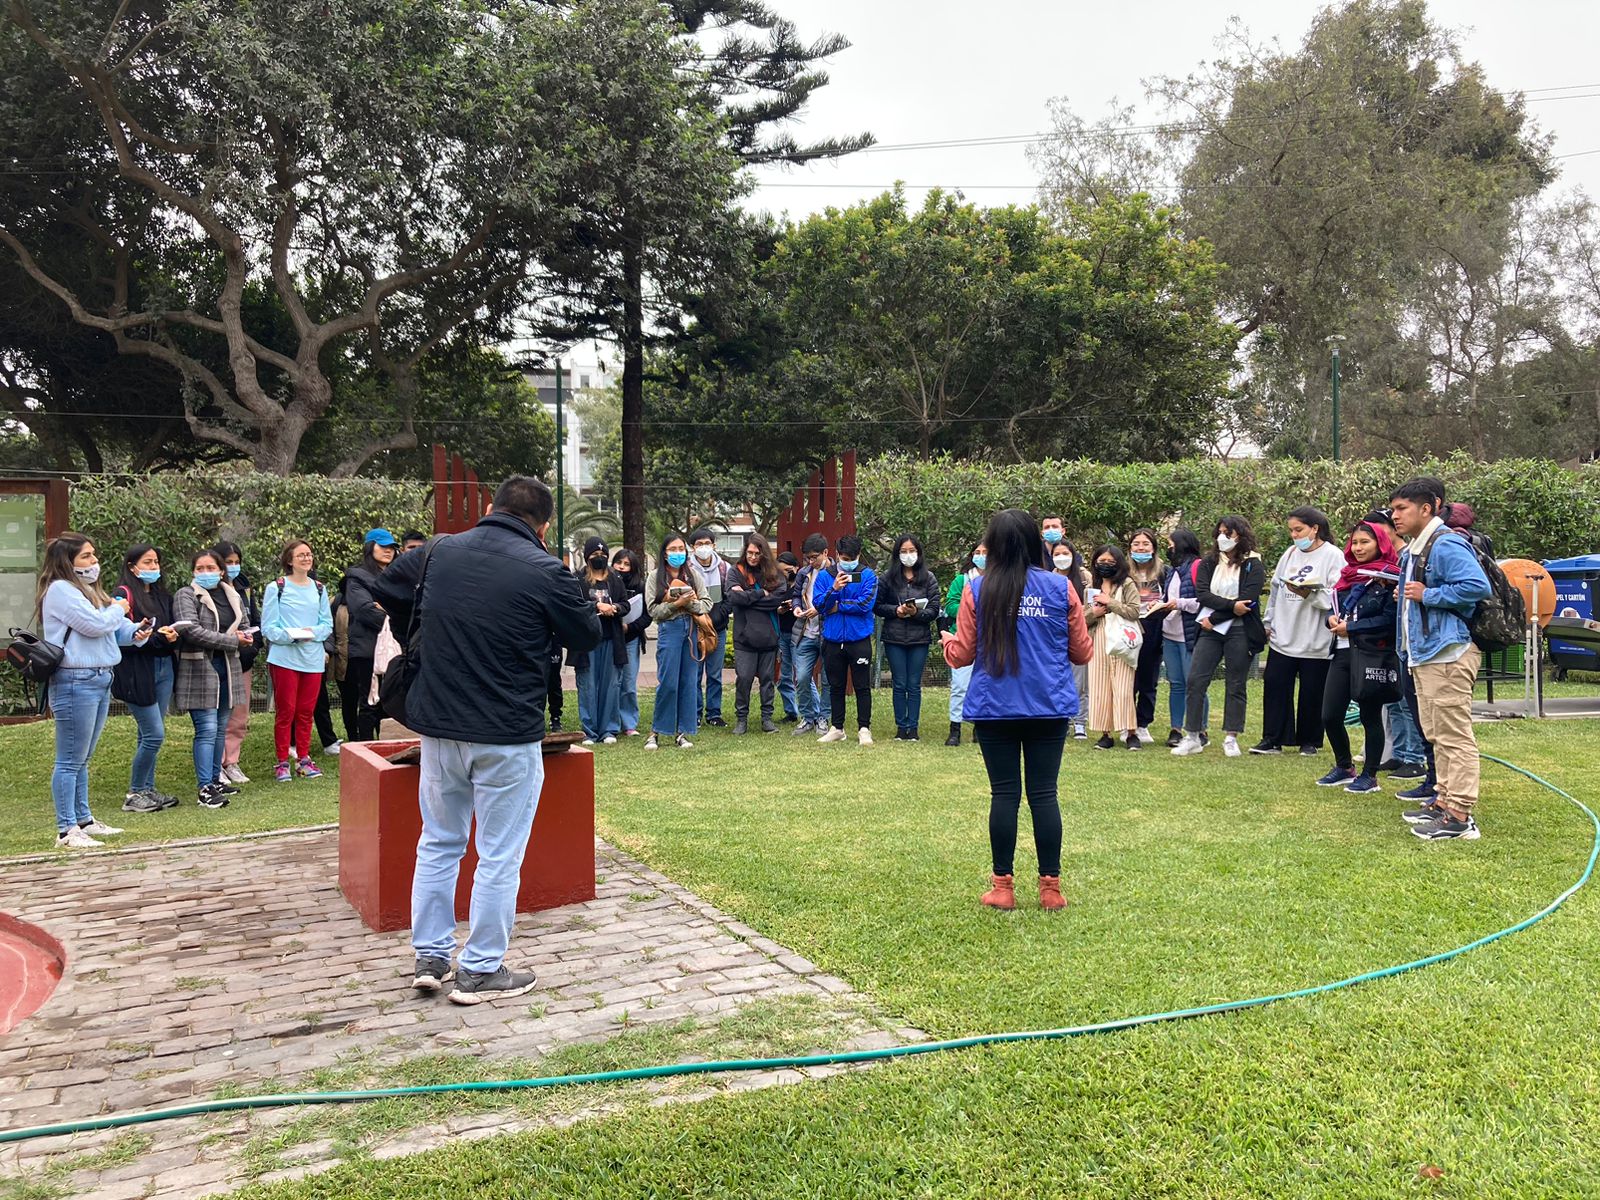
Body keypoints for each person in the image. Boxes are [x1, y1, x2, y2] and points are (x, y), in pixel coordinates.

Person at [371, 475, 601, 1003]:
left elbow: (385, 586)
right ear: (542, 526)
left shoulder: (440, 551)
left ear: (492, 508)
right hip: (506, 730)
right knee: (498, 853)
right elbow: (586, 635)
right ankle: (479, 968)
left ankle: (429, 955)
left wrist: (426, 630)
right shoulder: (545, 570)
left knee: (439, 841)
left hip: (440, 727)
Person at [941, 509, 1092, 911]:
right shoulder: (1061, 589)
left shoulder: (977, 590)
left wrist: (946, 644)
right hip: (1048, 705)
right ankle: (1051, 890)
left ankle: (1003, 887)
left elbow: (961, 654)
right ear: (1034, 542)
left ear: (990, 546)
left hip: (996, 706)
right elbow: (1081, 651)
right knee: (1045, 794)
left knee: (1004, 794)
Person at [1391, 479, 1492, 840]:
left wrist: (1428, 593)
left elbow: (1476, 586)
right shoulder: (1416, 549)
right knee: (1436, 734)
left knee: (1453, 735)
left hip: (1448, 653)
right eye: (1394, 509)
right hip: (1426, 655)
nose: (1395, 515)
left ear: (1428, 508)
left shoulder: (1445, 542)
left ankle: (1460, 816)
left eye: (1402, 508)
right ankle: (1443, 801)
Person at [39, 533, 151, 847]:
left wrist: (136, 631)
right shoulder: (60, 590)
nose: (94, 562)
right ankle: (66, 829)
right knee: (69, 759)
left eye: (94, 555)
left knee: (83, 757)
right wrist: (118, 607)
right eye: (86, 556)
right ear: (68, 561)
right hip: (75, 680)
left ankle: (84, 820)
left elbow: (110, 632)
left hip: (100, 677)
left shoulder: (86, 589)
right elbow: (95, 624)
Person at [1172, 515, 1267, 758]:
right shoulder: (1209, 562)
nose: (1223, 537)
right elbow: (1203, 595)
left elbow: (1248, 600)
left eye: (1229, 533)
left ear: (1241, 535)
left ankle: (1231, 736)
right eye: (1220, 532)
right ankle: (1193, 735)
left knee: (1236, 682)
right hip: (1209, 631)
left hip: (1237, 628)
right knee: (1195, 679)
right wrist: (1227, 610)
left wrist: (1216, 618)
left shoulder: (1252, 564)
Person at [1317, 519, 1401, 793]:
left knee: (1370, 715)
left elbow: (1389, 619)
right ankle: (1344, 766)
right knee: (1330, 714)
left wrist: (1351, 628)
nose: (1359, 547)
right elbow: (1339, 612)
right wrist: (1333, 620)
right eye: (1355, 542)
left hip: (1372, 654)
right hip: (1342, 653)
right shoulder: (1346, 577)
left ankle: (1369, 775)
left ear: (1380, 543)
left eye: (1365, 541)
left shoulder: (1389, 577)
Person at [1254, 507, 1344, 756]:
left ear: (1315, 529)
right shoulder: (1290, 554)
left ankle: (1310, 740)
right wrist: (1268, 621)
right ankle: (1273, 738)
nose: (1294, 535)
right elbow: (1275, 590)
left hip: (1315, 635)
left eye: (1299, 530)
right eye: (1291, 531)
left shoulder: (1333, 556)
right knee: (1275, 684)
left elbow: (1337, 596)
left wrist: (1311, 593)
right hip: (1285, 632)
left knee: (1312, 690)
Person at [174, 548, 253, 807]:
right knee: (206, 728)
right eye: (200, 568)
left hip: (228, 668)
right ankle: (204, 787)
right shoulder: (187, 595)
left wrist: (245, 637)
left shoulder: (232, 595)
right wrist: (232, 640)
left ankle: (215, 779)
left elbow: (243, 626)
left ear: (221, 570)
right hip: (199, 669)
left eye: (211, 568)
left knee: (221, 727)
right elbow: (191, 631)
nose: (205, 573)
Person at [111, 544, 180, 813]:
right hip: (136, 670)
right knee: (154, 734)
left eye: (155, 562)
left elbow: (170, 630)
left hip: (164, 666)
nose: (153, 567)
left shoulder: (163, 596)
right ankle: (134, 793)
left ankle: (147, 789)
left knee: (148, 733)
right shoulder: (123, 596)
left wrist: (171, 636)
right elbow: (121, 636)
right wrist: (155, 637)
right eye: (147, 562)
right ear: (132, 567)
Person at [261, 540, 335, 784]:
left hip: (312, 659)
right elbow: (269, 627)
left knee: (306, 711)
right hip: (285, 659)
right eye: (301, 555)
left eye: (309, 555)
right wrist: (292, 636)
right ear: (289, 560)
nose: (306, 558)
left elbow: (327, 625)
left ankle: (303, 759)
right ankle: (282, 761)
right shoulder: (277, 587)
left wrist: (310, 633)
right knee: (286, 711)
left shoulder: (320, 589)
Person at [646, 534, 712, 749]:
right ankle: (656, 731)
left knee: (688, 682)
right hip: (669, 629)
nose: (678, 553)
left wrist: (689, 603)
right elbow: (652, 610)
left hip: (691, 630)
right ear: (665, 553)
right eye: (673, 549)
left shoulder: (693, 575)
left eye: (681, 549)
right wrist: (676, 604)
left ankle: (682, 732)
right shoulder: (655, 577)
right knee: (668, 682)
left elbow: (706, 603)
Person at [875, 533, 942, 740]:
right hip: (894, 637)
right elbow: (877, 606)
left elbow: (934, 609)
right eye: (903, 551)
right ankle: (900, 727)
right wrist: (896, 611)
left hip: (919, 639)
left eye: (911, 551)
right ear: (897, 554)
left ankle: (913, 727)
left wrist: (916, 613)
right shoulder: (887, 578)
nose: (908, 555)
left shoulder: (928, 578)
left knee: (913, 684)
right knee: (899, 683)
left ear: (919, 553)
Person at [815, 533, 878, 746]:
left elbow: (865, 605)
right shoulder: (826, 576)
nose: (847, 563)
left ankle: (864, 728)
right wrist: (834, 590)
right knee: (835, 686)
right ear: (836, 555)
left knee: (862, 686)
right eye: (843, 557)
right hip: (832, 640)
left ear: (858, 555)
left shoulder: (868, 575)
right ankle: (837, 728)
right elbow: (819, 606)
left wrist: (839, 606)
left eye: (851, 558)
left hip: (859, 639)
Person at [338, 529, 397, 744]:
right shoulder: (356, 578)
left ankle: (389, 747)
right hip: (367, 649)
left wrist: (386, 608)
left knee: (391, 703)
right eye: (383, 546)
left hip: (394, 650)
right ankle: (365, 749)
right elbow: (364, 611)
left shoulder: (397, 575)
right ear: (369, 547)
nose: (388, 551)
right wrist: (396, 614)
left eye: (391, 547)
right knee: (369, 702)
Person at [725, 533, 787, 734]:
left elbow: (778, 599)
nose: (752, 557)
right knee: (744, 678)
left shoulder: (774, 573)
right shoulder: (736, 571)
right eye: (749, 553)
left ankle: (767, 718)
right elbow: (734, 598)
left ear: (764, 554)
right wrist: (760, 594)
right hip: (744, 637)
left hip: (769, 636)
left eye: (757, 553)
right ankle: (741, 719)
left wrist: (748, 598)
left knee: (768, 679)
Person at [214, 540, 265, 782]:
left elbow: (255, 620)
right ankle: (216, 765)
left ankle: (232, 761)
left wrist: (254, 648)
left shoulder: (244, 588)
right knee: (218, 715)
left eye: (236, 562)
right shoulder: (210, 591)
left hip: (243, 661)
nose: (233, 567)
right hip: (218, 661)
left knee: (239, 716)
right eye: (228, 562)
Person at [1083, 545, 1141, 749]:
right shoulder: (1091, 587)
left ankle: (1130, 732)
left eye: (1110, 562)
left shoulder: (1126, 584)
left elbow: (1134, 611)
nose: (1105, 565)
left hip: (1122, 639)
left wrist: (1111, 603)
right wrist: (1095, 613)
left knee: (1124, 687)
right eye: (1101, 561)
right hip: (1098, 638)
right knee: (1100, 687)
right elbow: (1082, 618)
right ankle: (1105, 733)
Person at [574, 536, 628, 746]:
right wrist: (596, 606)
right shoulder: (577, 580)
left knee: (611, 685)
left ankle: (608, 730)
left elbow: (625, 604)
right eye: (595, 555)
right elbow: (574, 603)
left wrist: (614, 608)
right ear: (588, 557)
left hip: (611, 640)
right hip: (587, 641)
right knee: (587, 685)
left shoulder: (615, 580)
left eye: (603, 555)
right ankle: (589, 731)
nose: (600, 558)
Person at [1127, 529, 1174, 747]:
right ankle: (1127, 723)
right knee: (1128, 679)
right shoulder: (1124, 572)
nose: (1141, 548)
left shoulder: (1164, 572)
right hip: (1129, 628)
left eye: (1145, 544)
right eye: (1136, 544)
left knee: (1149, 678)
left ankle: (1143, 723)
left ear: (1153, 547)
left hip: (1154, 627)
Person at [1161, 528, 1207, 747]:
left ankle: (1201, 729)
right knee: (1176, 683)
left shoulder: (1198, 566)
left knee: (1194, 683)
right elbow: (1168, 596)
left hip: (1190, 634)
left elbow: (1203, 601)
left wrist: (1179, 604)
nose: (1169, 548)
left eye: (1171, 544)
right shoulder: (1172, 570)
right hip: (1169, 633)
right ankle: (1176, 728)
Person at [688, 529, 731, 727]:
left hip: (718, 629)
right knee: (694, 673)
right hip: (694, 629)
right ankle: (695, 712)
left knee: (715, 673)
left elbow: (730, 598)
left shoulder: (724, 568)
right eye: (699, 544)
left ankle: (714, 713)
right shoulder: (687, 569)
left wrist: (717, 617)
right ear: (692, 547)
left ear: (714, 545)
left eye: (707, 543)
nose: (703, 547)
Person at [944, 542, 985, 746]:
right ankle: (955, 729)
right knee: (960, 685)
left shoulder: (999, 580)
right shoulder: (962, 580)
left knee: (984, 684)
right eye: (977, 552)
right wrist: (973, 608)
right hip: (963, 637)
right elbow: (950, 606)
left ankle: (980, 727)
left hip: (989, 640)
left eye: (985, 552)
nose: (981, 556)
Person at [790, 534, 832, 737]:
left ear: (826, 553)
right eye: (807, 558)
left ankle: (824, 718)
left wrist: (820, 610)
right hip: (805, 632)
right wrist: (797, 608)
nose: (810, 562)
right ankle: (808, 717)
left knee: (828, 680)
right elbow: (797, 595)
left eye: (814, 557)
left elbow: (839, 600)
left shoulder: (836, 573)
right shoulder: (804, 573)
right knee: (803, 676)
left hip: (828, 634)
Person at [1049, 540, 1091, 739]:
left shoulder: (1084, 577)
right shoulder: (1048, 578)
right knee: (1057, 680)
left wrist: (1079, 616)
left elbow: (1093, 608)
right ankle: (1062, 719)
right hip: (1055, 637)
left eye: (1065, 553)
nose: (1061, 557)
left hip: (1080, 634)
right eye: (1057, 554)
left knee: (1080, 681)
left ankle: (1080, 722)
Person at [611, 548, 650, 737]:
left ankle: (628, 723)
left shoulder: (640, 586)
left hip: (631, 639)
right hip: (609, 639)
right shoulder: (606, 583)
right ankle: (611, 722)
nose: (622, 567)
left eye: (627, 564)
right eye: (619, 562)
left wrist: (630, 627)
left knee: (628, 683)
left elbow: (647, 616)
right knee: (611, 682)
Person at [775, 551, 802, 723]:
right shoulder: (779, 585)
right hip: (782, 633)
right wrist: (780, 609)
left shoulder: (802, 584)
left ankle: (811, 712)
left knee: (801, 675)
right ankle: (791, 712)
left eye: (787, 570)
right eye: (781, 570)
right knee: (784, 676)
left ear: (796, 568)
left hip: (798, 633)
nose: (785, 573)